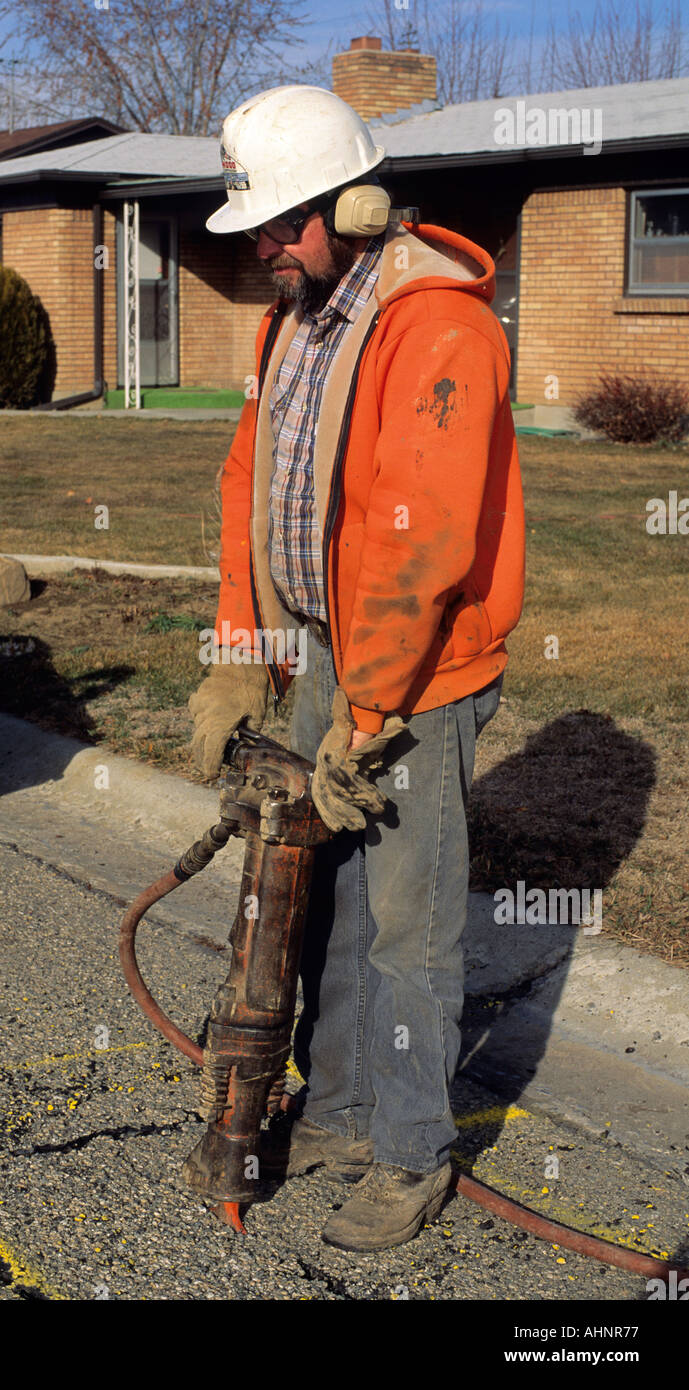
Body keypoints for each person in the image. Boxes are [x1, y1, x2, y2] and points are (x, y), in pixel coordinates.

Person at [188, 84, 525, 1252]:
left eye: (285, 224)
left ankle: (411, 1150)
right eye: (261, 229)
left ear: (360, 201)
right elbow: (253, 478)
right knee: (325, 900)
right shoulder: (300, 315)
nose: (268, 248)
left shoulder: (440, 329)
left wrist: (368, 714)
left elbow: (415, 539)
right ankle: (334, 1111)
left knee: (407, 924)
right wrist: (247, 654)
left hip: (417, 674)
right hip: (333, 647)